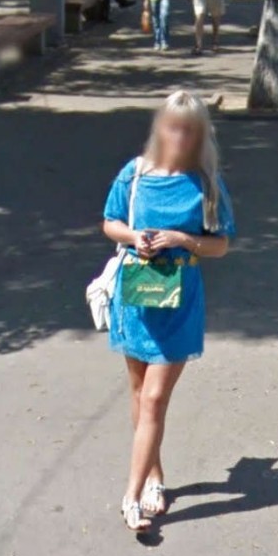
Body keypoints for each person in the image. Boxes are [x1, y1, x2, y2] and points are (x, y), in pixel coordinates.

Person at [101, 90, 236, 532]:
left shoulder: (207, 181)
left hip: (180, 300)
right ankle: (155, 476)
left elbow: (221, 244)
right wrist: (133, 235)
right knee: (140, 394)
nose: (180, 136)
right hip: (136, 297)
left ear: (200, 135)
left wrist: (183, 240)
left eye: (190, 130)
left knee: (156, 398)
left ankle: (131, 496)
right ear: (161, 128)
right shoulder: (135, 173)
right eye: (173, 127)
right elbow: (109, 222)